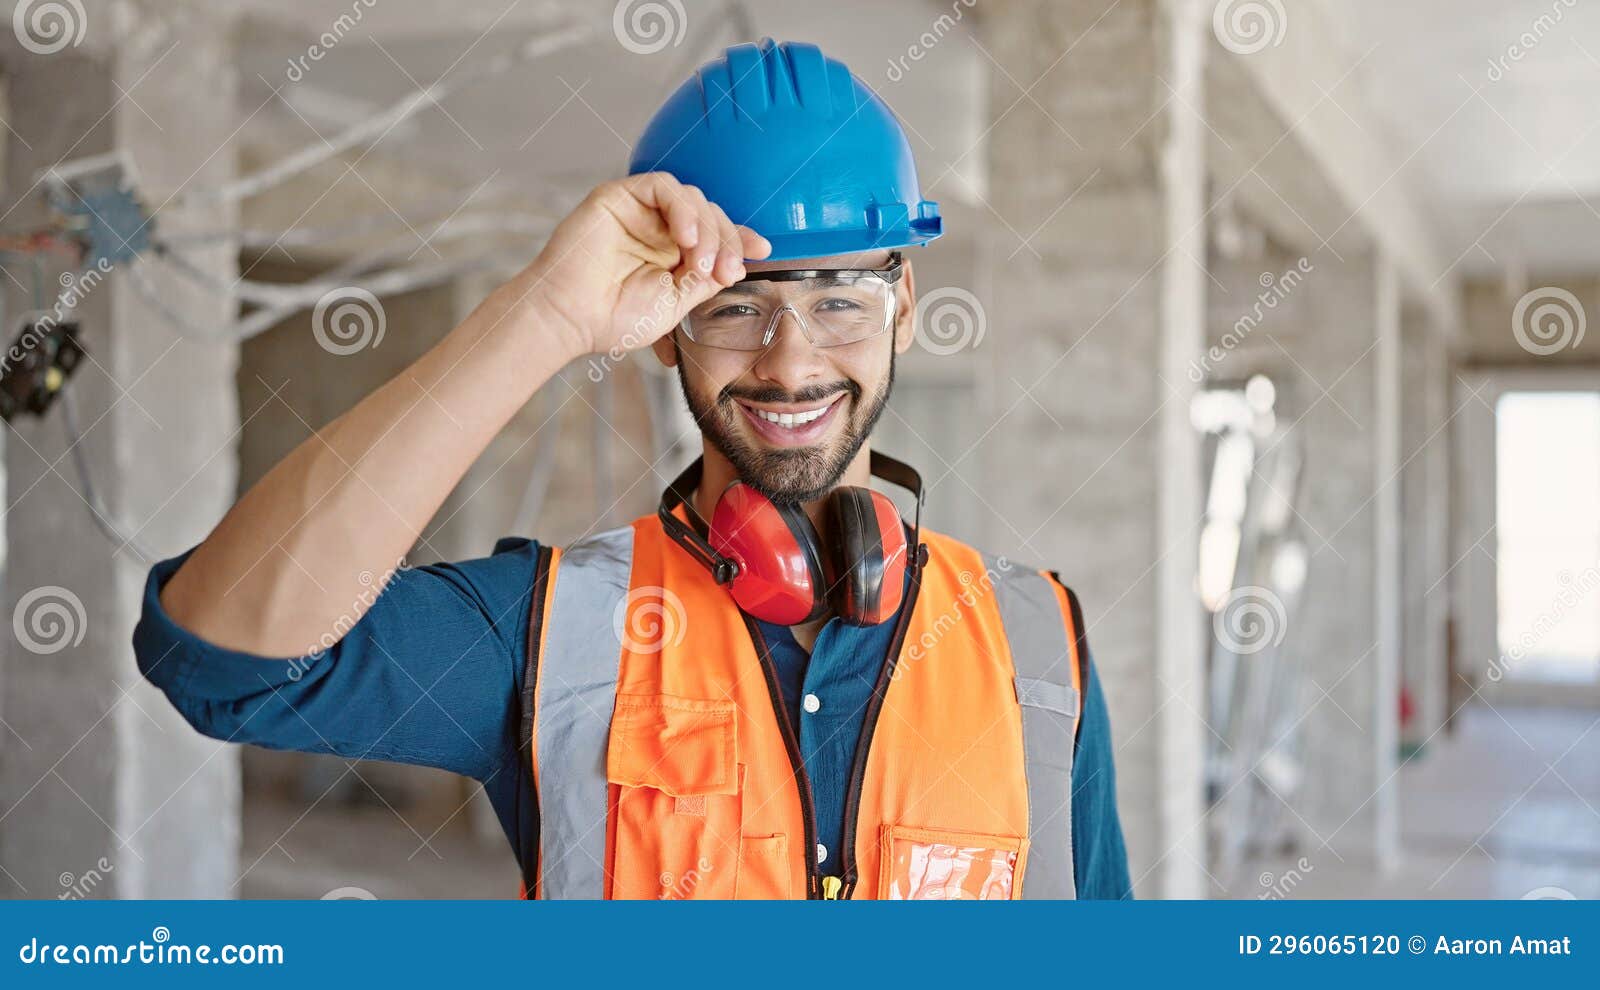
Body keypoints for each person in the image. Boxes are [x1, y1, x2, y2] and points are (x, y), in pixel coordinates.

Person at [134, 38, 1130, 900]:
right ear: (664, 328)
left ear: (903, 303)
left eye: (838, 300)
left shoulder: (1034, 649)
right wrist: (548, 316)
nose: (788, 362)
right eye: (734, 305)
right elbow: (222, 659)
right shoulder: (557, 636)